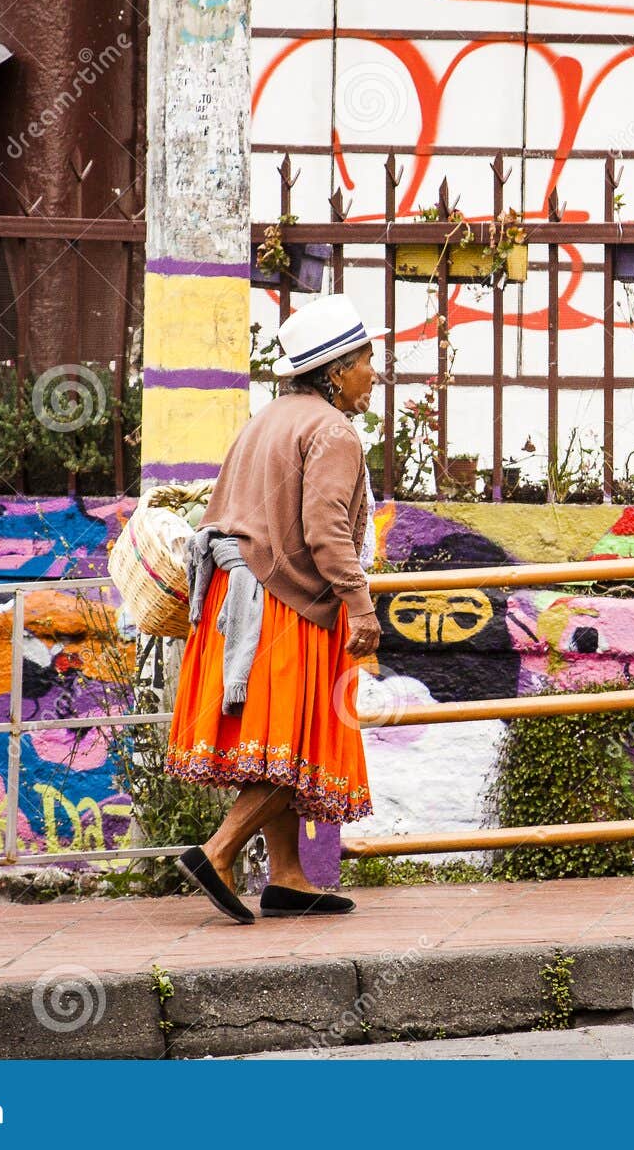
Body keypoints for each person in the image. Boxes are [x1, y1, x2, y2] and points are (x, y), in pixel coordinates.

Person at [166, 294, 385, 924]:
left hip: (240, 599)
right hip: (287, 605)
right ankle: (220, 850)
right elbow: (325, 531)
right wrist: (361, 606)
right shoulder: (332, 431)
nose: (375, 371)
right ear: (337, 369)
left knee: (274, 741)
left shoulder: (268, 419)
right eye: (368, 358)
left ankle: (287, 877)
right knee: (295, 743)